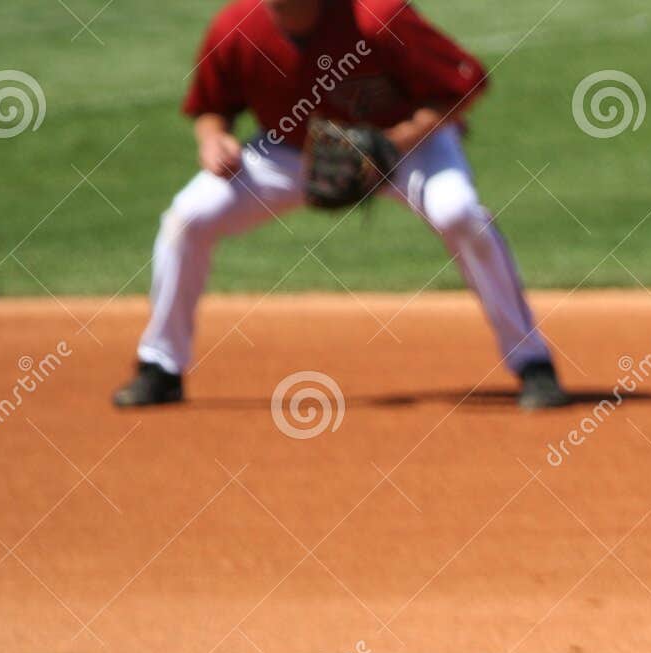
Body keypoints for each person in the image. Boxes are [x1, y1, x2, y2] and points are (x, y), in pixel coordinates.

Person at [114, 0, 569, 410]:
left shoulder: (379, 16)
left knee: (459, 214)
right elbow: (212, 107)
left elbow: (466, 84)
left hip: (406, 147)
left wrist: (391, 144)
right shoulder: (236, 25)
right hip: (291, 153)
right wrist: (214, 141)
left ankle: (533, 363)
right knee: (188, 216)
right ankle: (161, 367)